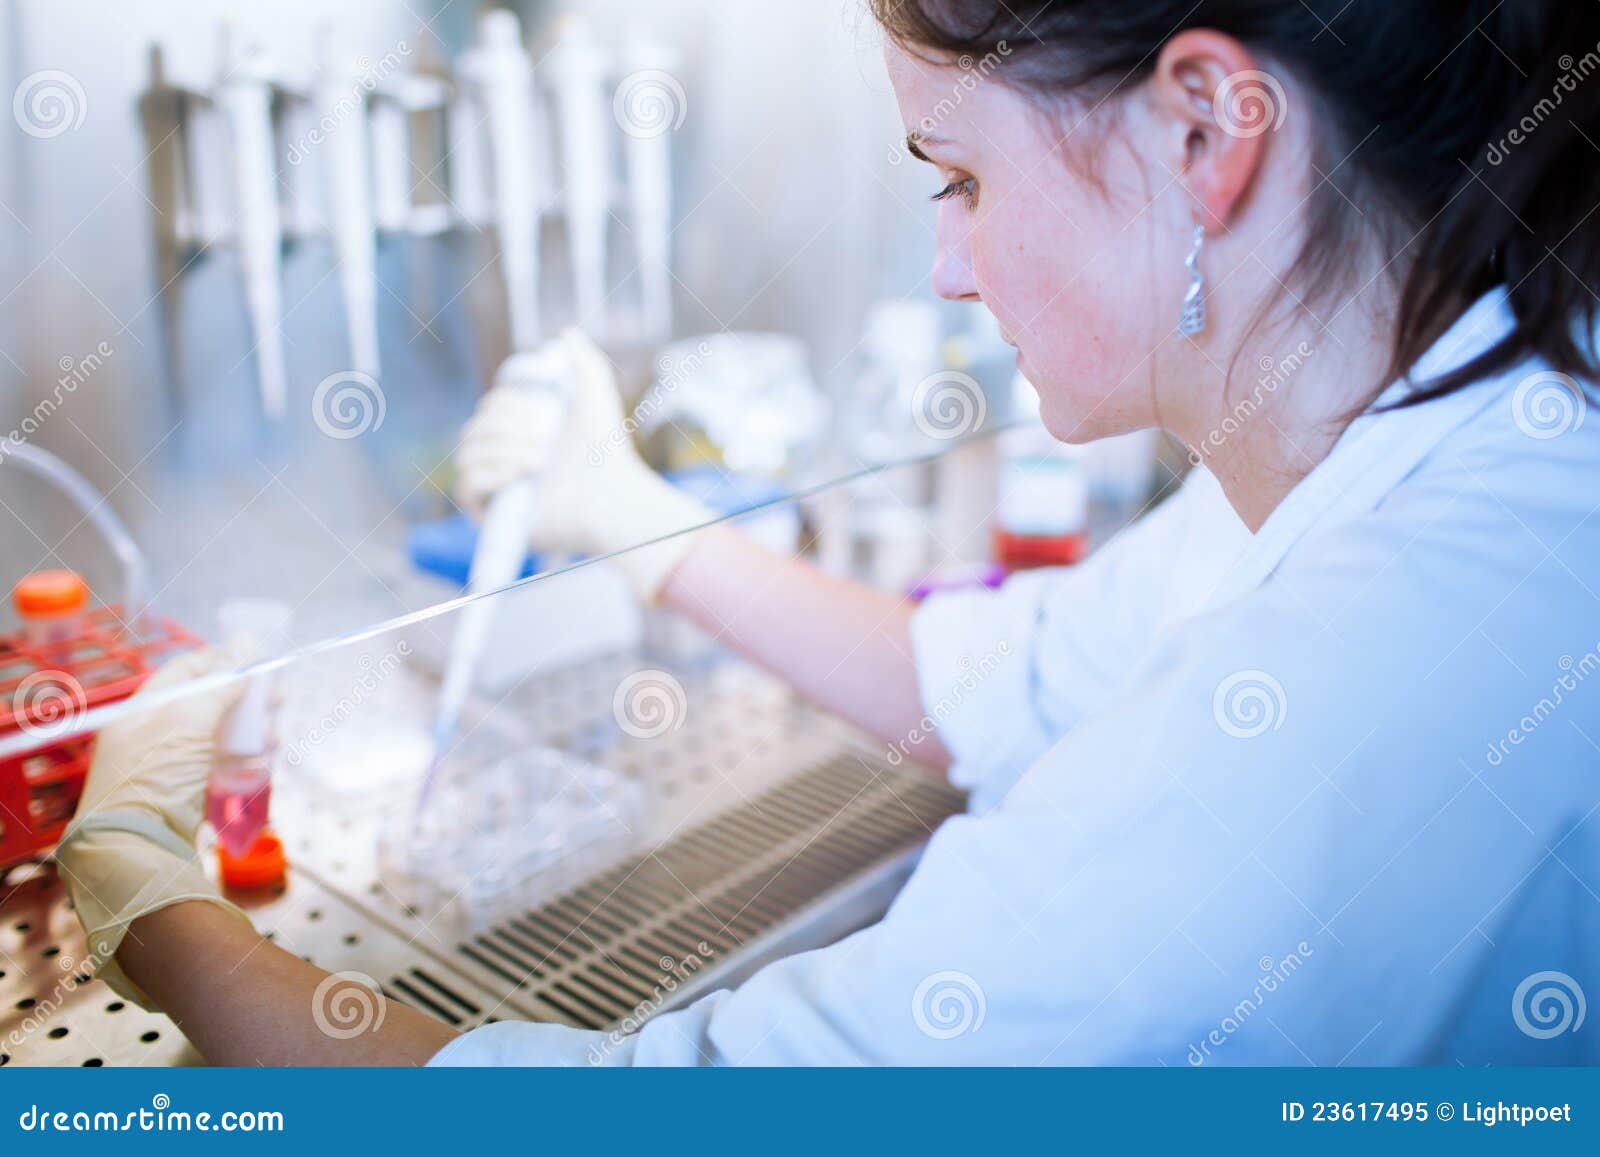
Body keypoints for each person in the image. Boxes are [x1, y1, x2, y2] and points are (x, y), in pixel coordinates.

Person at [57, 0, 1600, 1065]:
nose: (944, 263)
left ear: (1205, 129)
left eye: (962, 175)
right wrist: (645, 525)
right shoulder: (1458, 438)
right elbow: (1017, 674)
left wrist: (157, 910)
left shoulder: (1372, 673)